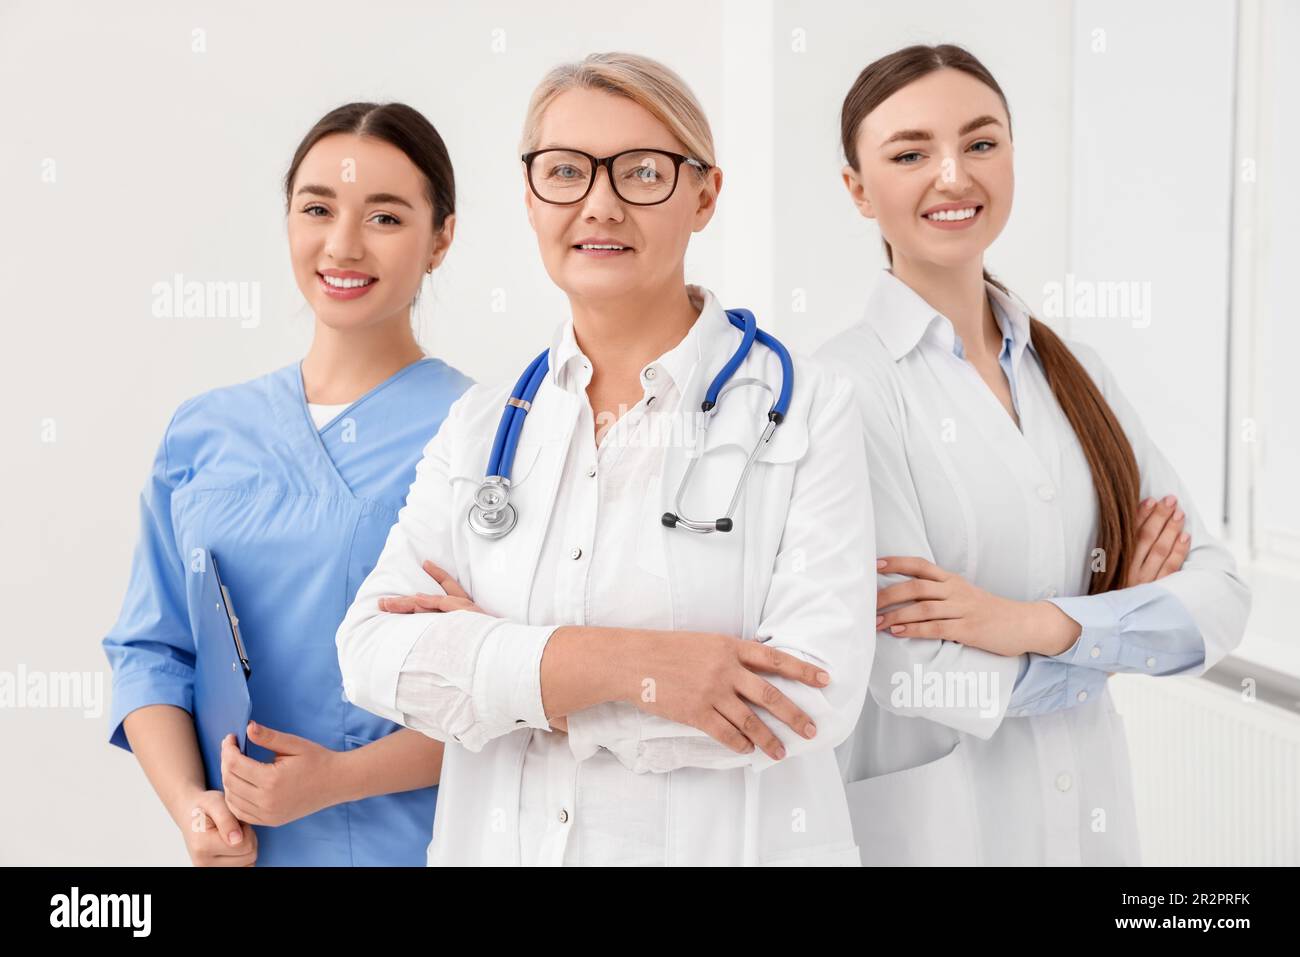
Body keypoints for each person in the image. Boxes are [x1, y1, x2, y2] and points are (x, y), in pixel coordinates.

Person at [336, 52, 874, 866]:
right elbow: (373, 655)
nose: (600, 204)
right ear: (529, 197)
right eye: (565, 172)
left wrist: (500, 674)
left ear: (704, 195)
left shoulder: (806, 408)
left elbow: (803, 697)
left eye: (642, 172)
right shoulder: (484, 424)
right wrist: (631, 664)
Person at [819, 44, 1251, 865]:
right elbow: (913, 667)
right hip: (937, 832)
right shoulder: (843, 387)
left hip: (1091, 818)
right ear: (858, 188)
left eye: (981, 143)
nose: (953, 176)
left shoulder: (1076, 370)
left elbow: (1220, 597)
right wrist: (1117, 627)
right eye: (910, 154)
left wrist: (1029, 623)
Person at [102, 102, 472, 865]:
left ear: (442, 238)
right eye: (317, 208)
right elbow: (150, 649)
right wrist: (192, 807)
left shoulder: (483, 433)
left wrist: (338, 780)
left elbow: (507, 694)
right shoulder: (204, 430)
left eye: (386, 217)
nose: (342, 244)